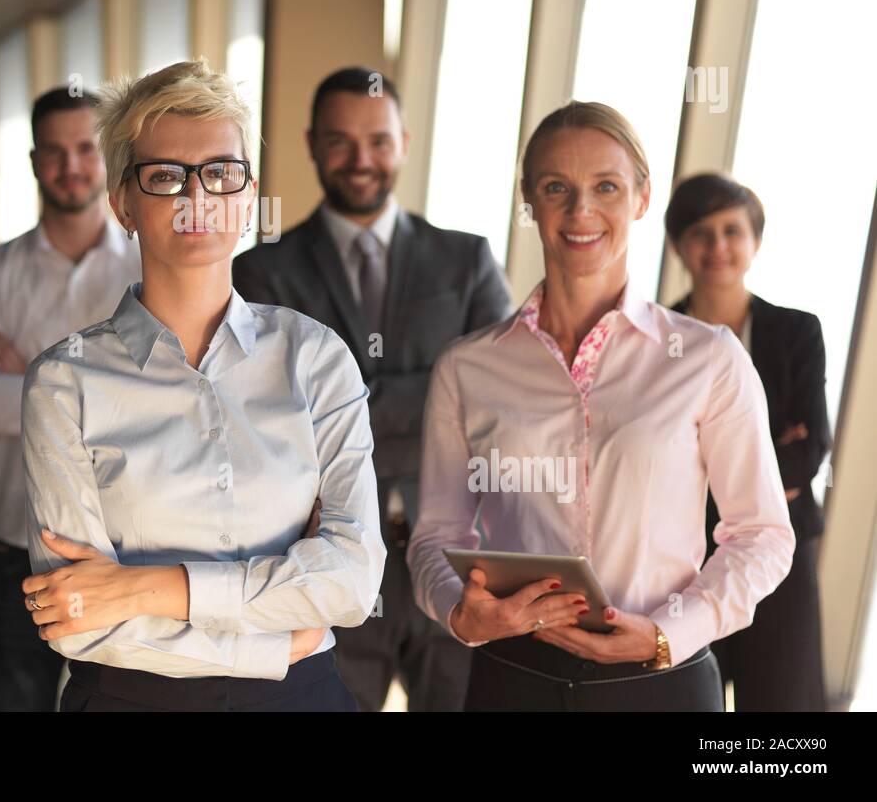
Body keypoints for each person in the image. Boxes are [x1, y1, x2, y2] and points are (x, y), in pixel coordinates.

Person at [19, 60, 386, 711]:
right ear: (123, 205)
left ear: (248, 199)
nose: (197, 199)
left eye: (220, 173)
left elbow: (353, 582)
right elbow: (77, 614)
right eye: (165, 177)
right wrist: (268, 644)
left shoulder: (316, 359)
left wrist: (145, 588)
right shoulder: (64, 382)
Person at [407, 100, 795, 711]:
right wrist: (461, 613)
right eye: (556, 186)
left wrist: (671, 632)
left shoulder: (707, 358)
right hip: (512, 679)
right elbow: (435, 536)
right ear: (530, 201)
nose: (580, 210)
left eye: (605, 187)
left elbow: (762, 536)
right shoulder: (468, 367)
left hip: (661, 683)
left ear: (642, 199)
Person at [233, 66, 511, 711]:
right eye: (340, 141)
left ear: (405, 143)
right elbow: (271, 418)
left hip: (457, 557)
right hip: (323, 557)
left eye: (378, 142)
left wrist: (346, 399)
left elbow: (498, 395)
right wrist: (437, 391)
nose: (361, 160)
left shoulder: (465, 260)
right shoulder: (261, 270)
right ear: (310, 143)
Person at [0, 86, 141, 712]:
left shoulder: (147, 268)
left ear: (107, 156)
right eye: (55, 152)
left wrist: (32, 372)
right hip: (14, 549)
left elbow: (166, 401)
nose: (71, 166)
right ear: (35, 161)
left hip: (129, 549)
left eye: (86, 148)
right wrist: (110, 386)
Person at [666, 172, 830, 711]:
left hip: (781, 552)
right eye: (701, 232)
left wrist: (717, 471)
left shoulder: (796, 331)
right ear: (678, 246)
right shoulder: (655, 339)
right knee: (685, 699)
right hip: (683, 557)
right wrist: (761, 464)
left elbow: (810, 449)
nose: (718, 247)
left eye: (732, 231)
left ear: (755, 241)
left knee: (781, 714)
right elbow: (661, 461)